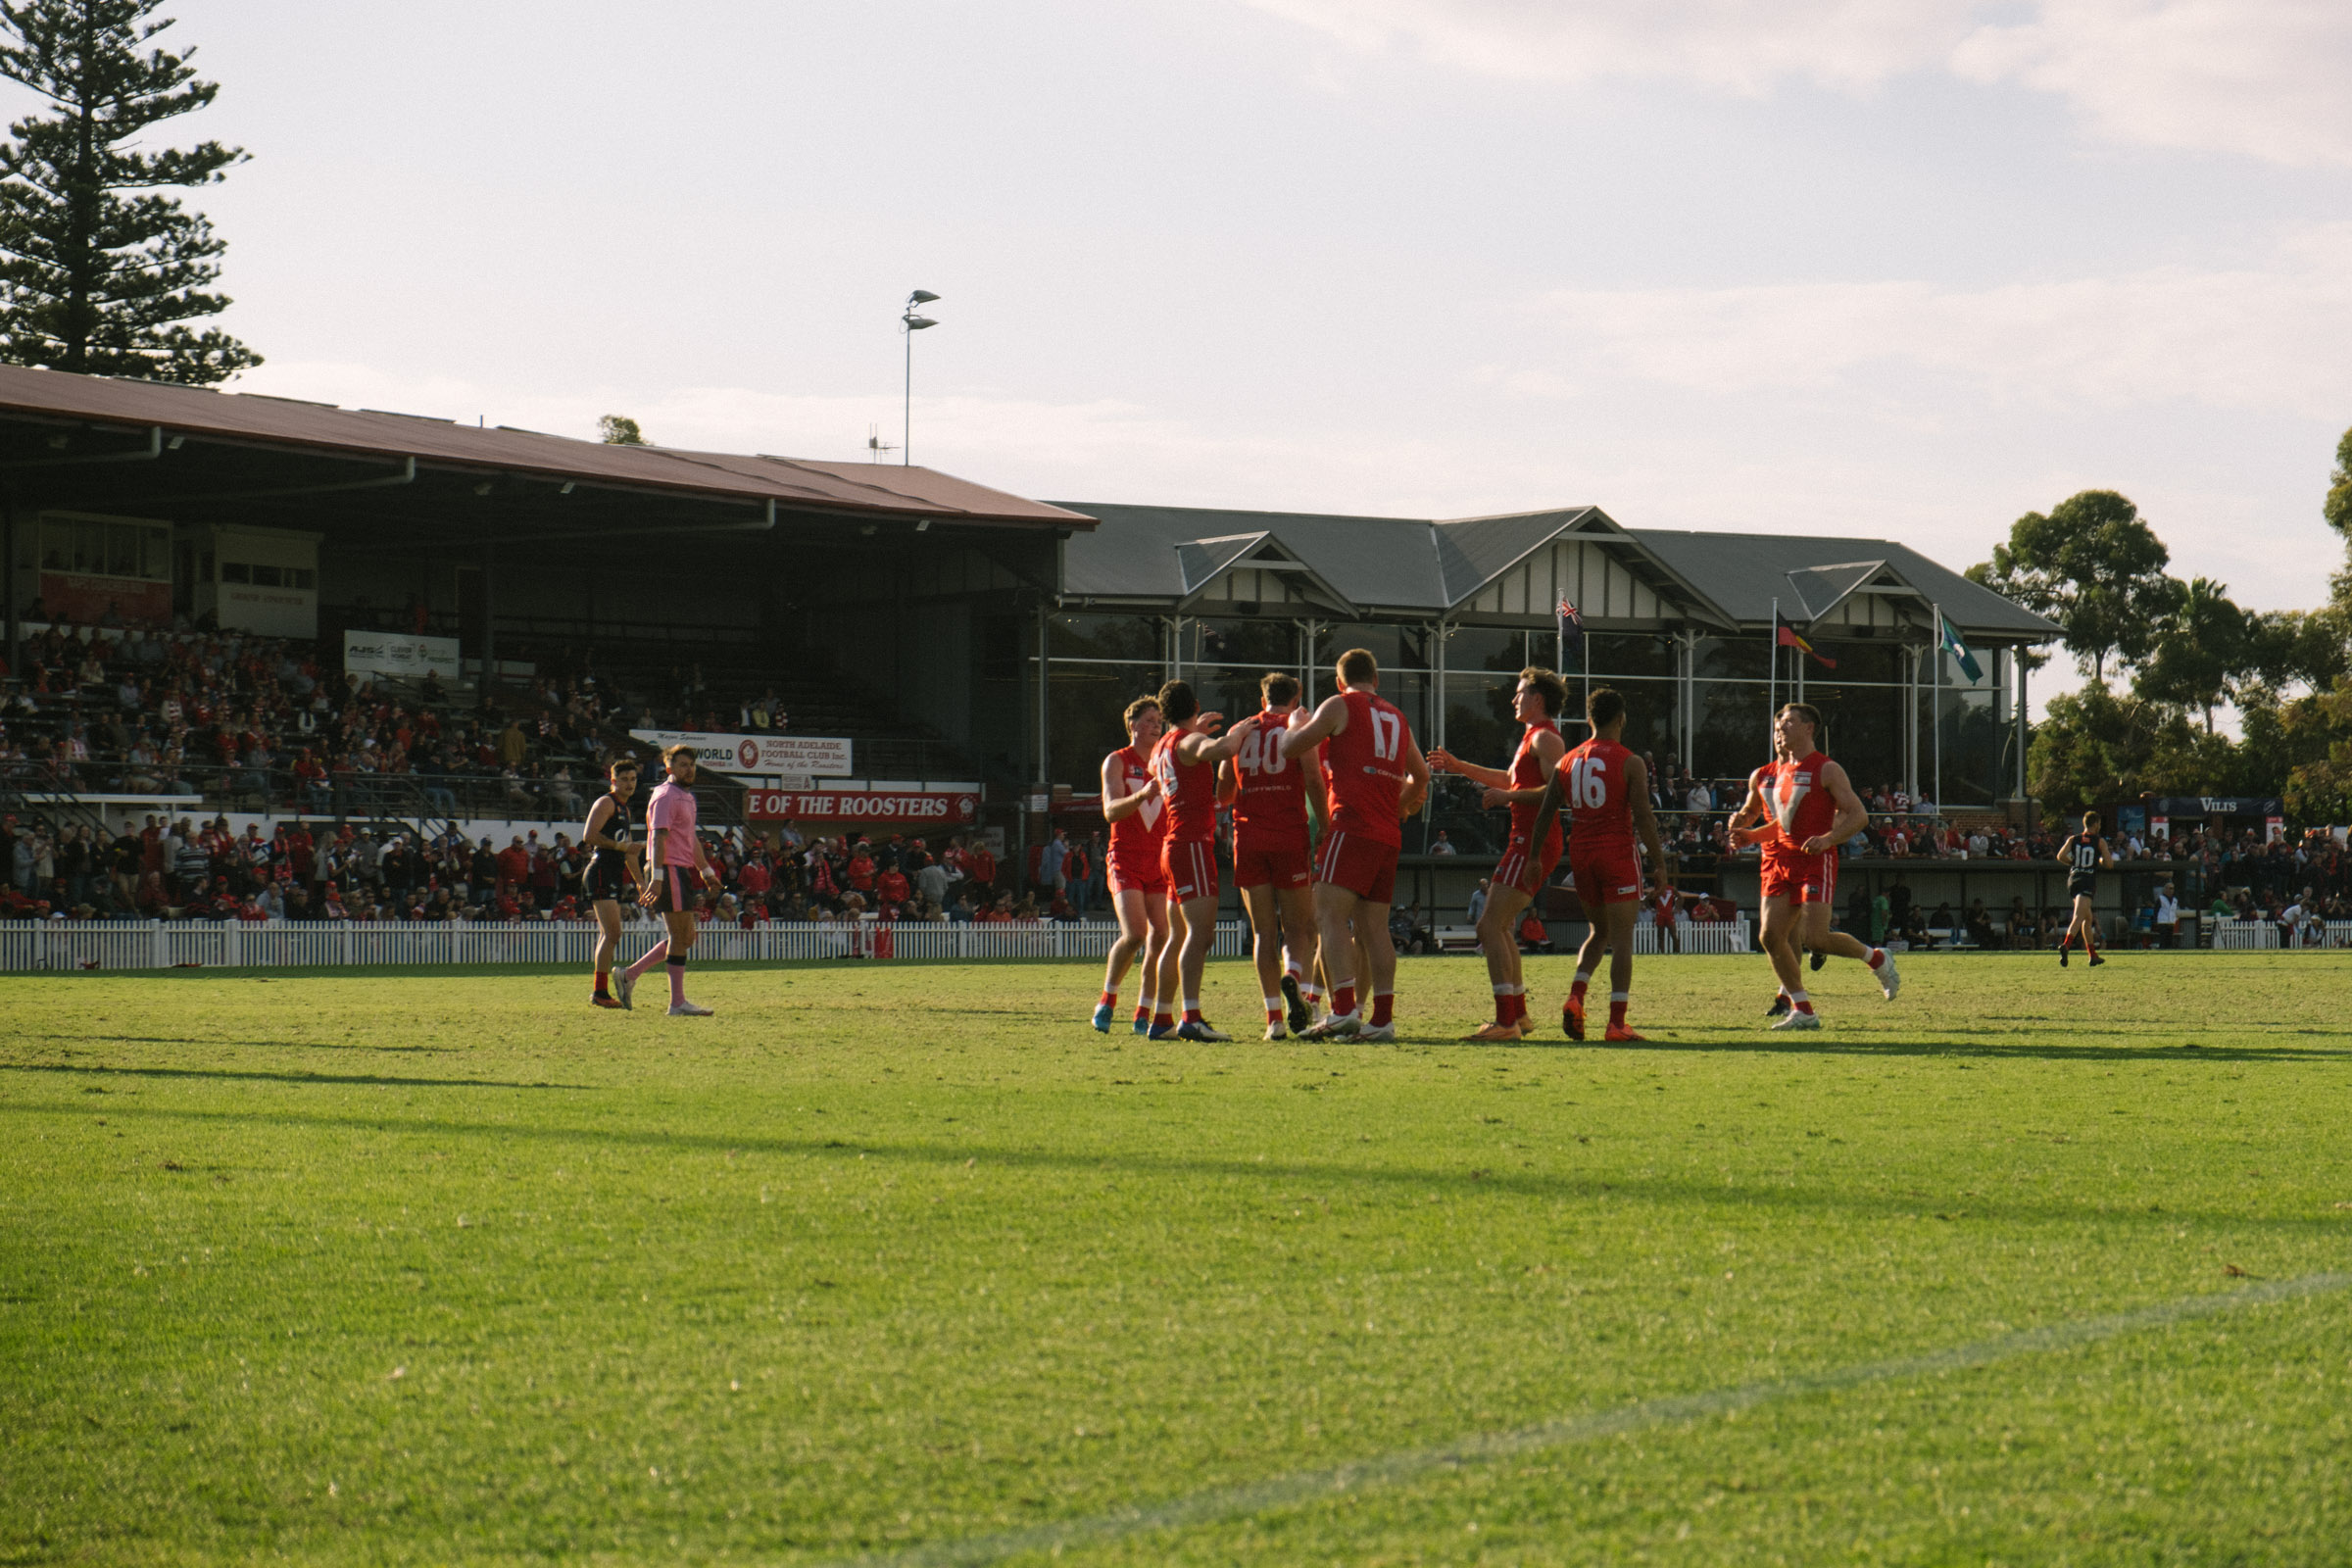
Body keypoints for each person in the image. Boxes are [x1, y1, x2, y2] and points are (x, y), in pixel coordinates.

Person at [1279, 647, 1431, 1041]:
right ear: (1376, 680)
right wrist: (1395, 806)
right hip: (1386, 835)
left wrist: (1296, 723)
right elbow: (1422, 775)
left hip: (1351, 826)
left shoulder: (1339, 704)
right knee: (1374, 929)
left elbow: (1290, 749)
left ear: (1339, 681)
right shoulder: (1397, 716)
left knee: (1327, 916)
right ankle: (1382, 1019)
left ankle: (1343, 1009)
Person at [1728, 703, 1899, 1030]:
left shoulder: (1826, 768)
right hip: (1777, 862)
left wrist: (1829, 838)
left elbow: (1859, 815)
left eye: (1789, 723)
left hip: (1813, 861)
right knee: (1769, 936)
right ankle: (1802, 1009)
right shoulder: (1768, 773)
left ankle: (1877, 958)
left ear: (1809, 728)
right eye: (1778, 724)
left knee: (1815, 939)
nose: (1780, 729)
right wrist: (1742, 827)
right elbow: (1772, 821)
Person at [1427, 665, 1568, 1042]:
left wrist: (1509, 798)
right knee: (1499, 926)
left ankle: (1506, 1022)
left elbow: (1558, 792)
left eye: (1520, 692)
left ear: (1537, 698)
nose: (1513, 698)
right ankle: (1517, 1017)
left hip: (1533, 841)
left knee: (1489, 926)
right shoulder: (1532, 737)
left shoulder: (1546, 739)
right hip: (1524, 840)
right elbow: (1510, 780)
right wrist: (1458, 767)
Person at [1524, 687, 1667, 1041]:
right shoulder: (1630, 761)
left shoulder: (1567, 761)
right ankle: (1617, 1023)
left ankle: (1576, 996)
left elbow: (1545, 812)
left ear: (1589, 719)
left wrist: (1533, 857)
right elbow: (1644, 817)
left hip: (1582, 853)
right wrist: (1660, 864)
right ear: (1621, 719)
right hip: (1616, 851)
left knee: (1597, 932)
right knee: (1621, 939)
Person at [1147, 678, 1264, 1042]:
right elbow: (1221, 749)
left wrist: (1193, 731)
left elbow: (1164, 764)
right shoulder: (1189, 741)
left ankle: (1162, 1018)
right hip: (1192, 845)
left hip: (1172, 846)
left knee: (1177, 936)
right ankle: (1191, 1017)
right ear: (1195, 705)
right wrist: (1239, 731)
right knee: (1200, 935)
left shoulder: (1162, 746)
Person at [1222, 671, 1323, 1040]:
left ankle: (1274, 1022)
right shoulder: (1297, 729)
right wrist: (1325, 824)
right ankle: (1294, 975)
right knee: (1300, 928)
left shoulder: (1242, 729)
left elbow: (1223, 789)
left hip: (1248, 838)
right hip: (1288, 836)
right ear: (1295, 699)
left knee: (1264, 933)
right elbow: (1313, 778)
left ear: (1262, 698)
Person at [1095, 697, 1171, 1034]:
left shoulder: (1165, 761)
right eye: (1150, 720)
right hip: (1125, 859)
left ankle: (1144, 1010)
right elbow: (1111, 811)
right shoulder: (1117, 761)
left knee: (1162, 937)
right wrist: (1142, 795)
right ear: (1133, 726)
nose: (1156, 726)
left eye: (1159, 721)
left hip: (1159, 863)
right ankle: (1107, 1000)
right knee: (1136, 933)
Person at [622, 745, 716, 1016]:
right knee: (680, 937)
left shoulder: (686, 797)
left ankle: (630, 974)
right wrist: (658, 877)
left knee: (686, 937)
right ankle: (676, 1003)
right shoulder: (665, 796)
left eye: (692, 764)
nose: (689, 769)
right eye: (683, 764)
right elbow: (658, 839)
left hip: (679, 869)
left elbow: (690, 839)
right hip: (669, 868)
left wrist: (706, 872)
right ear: (669, 768)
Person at [582, 756, 644, 1006]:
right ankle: (599, 992)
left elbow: (629, 851)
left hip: (612, 871)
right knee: (613, 933)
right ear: (613, 781)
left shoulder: (624, 809)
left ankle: (600, 991)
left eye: (633, 779)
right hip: (600, 870)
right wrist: (619, 845)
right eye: (624, 780)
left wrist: (640, 882)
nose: (629, 784)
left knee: (608, 934)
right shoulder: (606, 802)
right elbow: (589, 835)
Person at [2055, 810, 2111, 967]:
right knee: (2079, 916)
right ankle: (2066, 945)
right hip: (2087, 880)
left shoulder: (2074, 839)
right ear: (2095, 824)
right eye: (2099, 823)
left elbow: (2060, 856)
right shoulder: (2099, 841)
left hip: (2073, 879)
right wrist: (2099, 860)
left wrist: (2074, 864)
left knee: (2088, 918)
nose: (2099, 826)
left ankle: (2093, 956)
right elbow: (2109, 864)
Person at [2155, 880, 2180, 949]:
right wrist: (2155, 921)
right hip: (2162, 922)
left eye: (2172, 888)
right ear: (2165, 889)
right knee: (2163, 939)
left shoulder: (2175, 900)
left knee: (2169, 940)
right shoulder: (2160, 899)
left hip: (2171, 922)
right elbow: (2156, 911)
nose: (2171, 890)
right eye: (2169, 888)